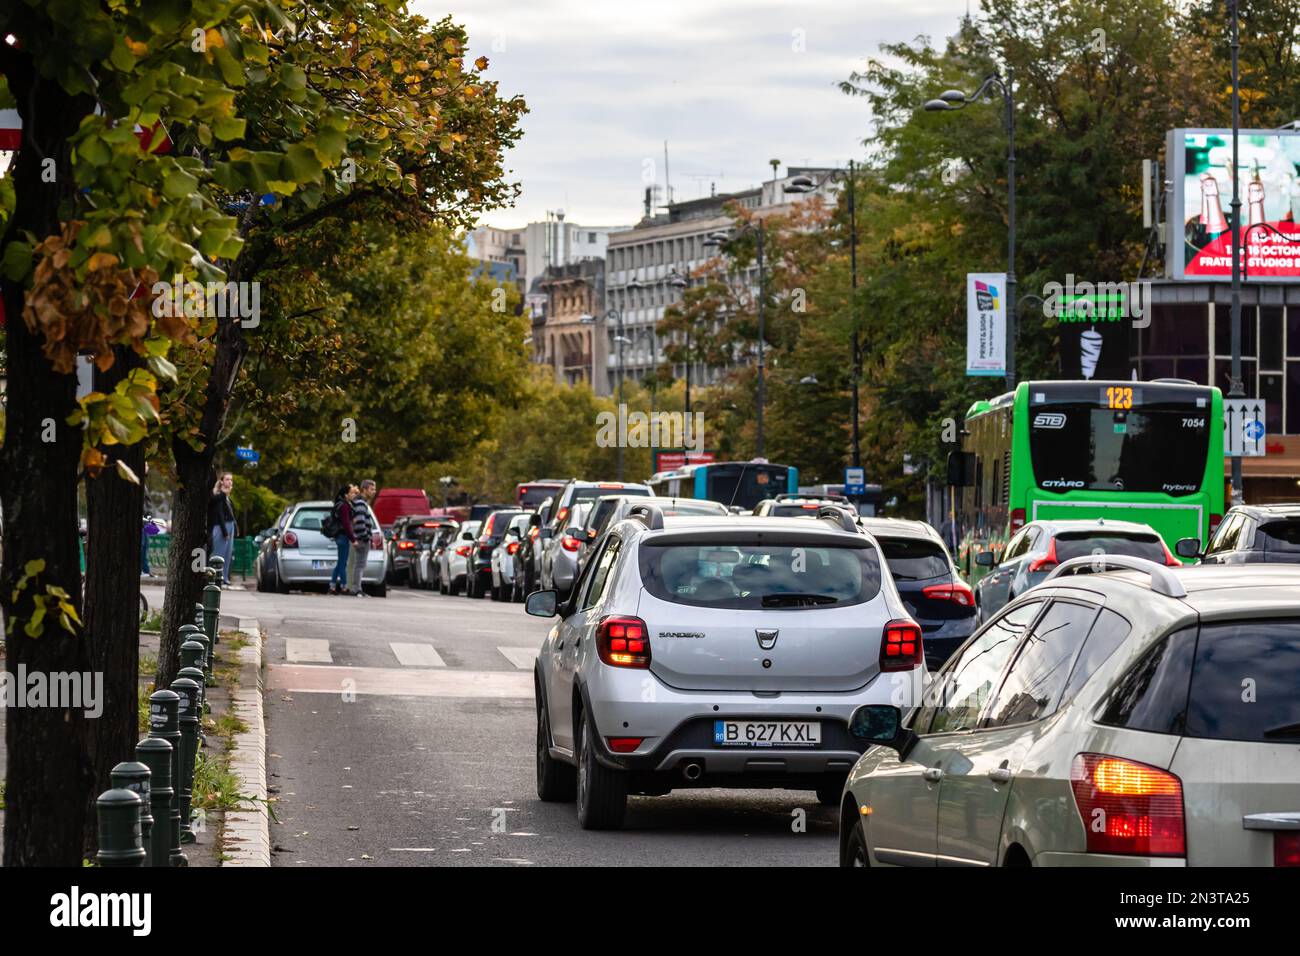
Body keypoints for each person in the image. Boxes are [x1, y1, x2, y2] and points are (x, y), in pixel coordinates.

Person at [345, 479, 377, 596]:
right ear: (364, 490)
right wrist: (365, 537)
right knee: (359, 565)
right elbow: (360, 522)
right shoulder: (360, 503)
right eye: (371, 489)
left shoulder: (360, 502)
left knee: (359, 565)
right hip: (362, 539)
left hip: (360, 538)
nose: (374, 492)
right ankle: (356, 589)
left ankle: (357, 588)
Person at [208, 471, 237, 586]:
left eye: (231, 479)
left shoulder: (227, 496)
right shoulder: (219, 495)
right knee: (218, 553)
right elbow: (219, 514)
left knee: (227, 554)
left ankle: (224, 577)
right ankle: (215, 577)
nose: (230, 482)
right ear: (221, 481)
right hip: (221, 527)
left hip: (229, 526)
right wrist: (225, 531)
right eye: (227, 479)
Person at [330, 485, 355, 595]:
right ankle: (344, 586)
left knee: (340, 562)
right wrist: (353, 539)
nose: (353, 495)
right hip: (343, 537)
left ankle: (332, 585)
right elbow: (346, 524)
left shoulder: (339, 504)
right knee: (342, 562)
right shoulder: (344, 506)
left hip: (339, 536)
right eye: (351, 493)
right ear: (346, 495)